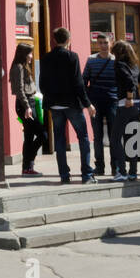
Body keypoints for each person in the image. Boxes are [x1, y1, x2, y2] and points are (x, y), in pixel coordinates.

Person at [39, 27, 96, 184]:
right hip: (72, 104)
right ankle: (86, 174)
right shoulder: (72, 56)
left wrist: (50, 99)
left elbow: (42, 84)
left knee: (59, 140)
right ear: (68, 40)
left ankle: (64, 175)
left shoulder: (46, 58)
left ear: (54, 40)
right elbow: (78, 83)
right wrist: (88, 104)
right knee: (83, 138)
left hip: (55, 106)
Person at [82, 34, 118, 178]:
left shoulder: (116, 61)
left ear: (111, 43)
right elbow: (84, 81)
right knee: (97, 136)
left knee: (113, 136)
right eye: (101, 43)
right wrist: (88, 103)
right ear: (97, 44)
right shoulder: (91, 61)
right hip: (95, 103)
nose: (103, 45)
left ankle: (115, 167)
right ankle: (100, 167)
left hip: (112, 102)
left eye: (106, 42)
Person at [111, 40, 140, 181]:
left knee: (115, 139)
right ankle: (133, 172)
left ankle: (122, 172)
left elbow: (130, 82)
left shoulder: (119, 65)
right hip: (136, 106)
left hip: (125, 105)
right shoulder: (135, 66)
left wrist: (129, 98)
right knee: (131, 140)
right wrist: (139, 100)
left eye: (114, 52)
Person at [9, 44, 45, 176]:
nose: (31, 56)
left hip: (30, 102)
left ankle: (27, 168)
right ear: (23, 54)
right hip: (25, 105)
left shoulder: (23, 66)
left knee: (29, 137)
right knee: (43, 135)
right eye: (29, 53)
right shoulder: (18, 67)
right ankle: (29, 162)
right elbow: (19, 90)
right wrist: (27, 107)